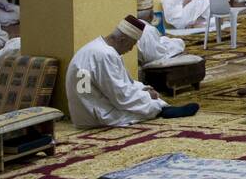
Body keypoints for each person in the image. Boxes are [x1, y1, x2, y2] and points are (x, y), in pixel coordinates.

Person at [65, 16, 200, 128]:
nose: (131, 49)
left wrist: (143, 88)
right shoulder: (105, 55)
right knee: (146, 108)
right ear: (123, 39)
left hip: (84, 111)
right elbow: (121, 96)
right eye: (132, 44)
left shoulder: (97, 47)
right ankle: (163, 109)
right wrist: (148, 97)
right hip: (96, 114)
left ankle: (162, 107)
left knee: (143, 98)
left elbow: (122, 83)